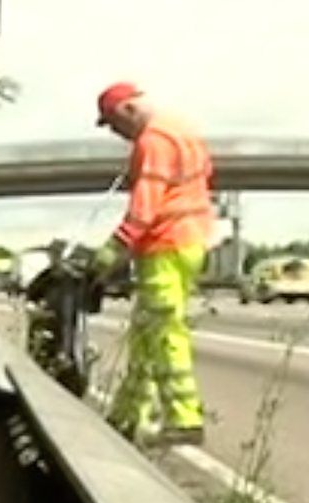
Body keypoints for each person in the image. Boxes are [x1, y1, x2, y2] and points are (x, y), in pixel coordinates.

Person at [91, 82, 215, 446]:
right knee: (145, 332)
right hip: (191, 240)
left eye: (114, 124)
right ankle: (127, 416)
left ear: (129, 110)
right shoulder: (185, 131)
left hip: (165, 244)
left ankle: (184, 419)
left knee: (164, 331)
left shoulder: (153, 141)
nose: (116, 134)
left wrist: (113, 250)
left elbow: (145, 207)